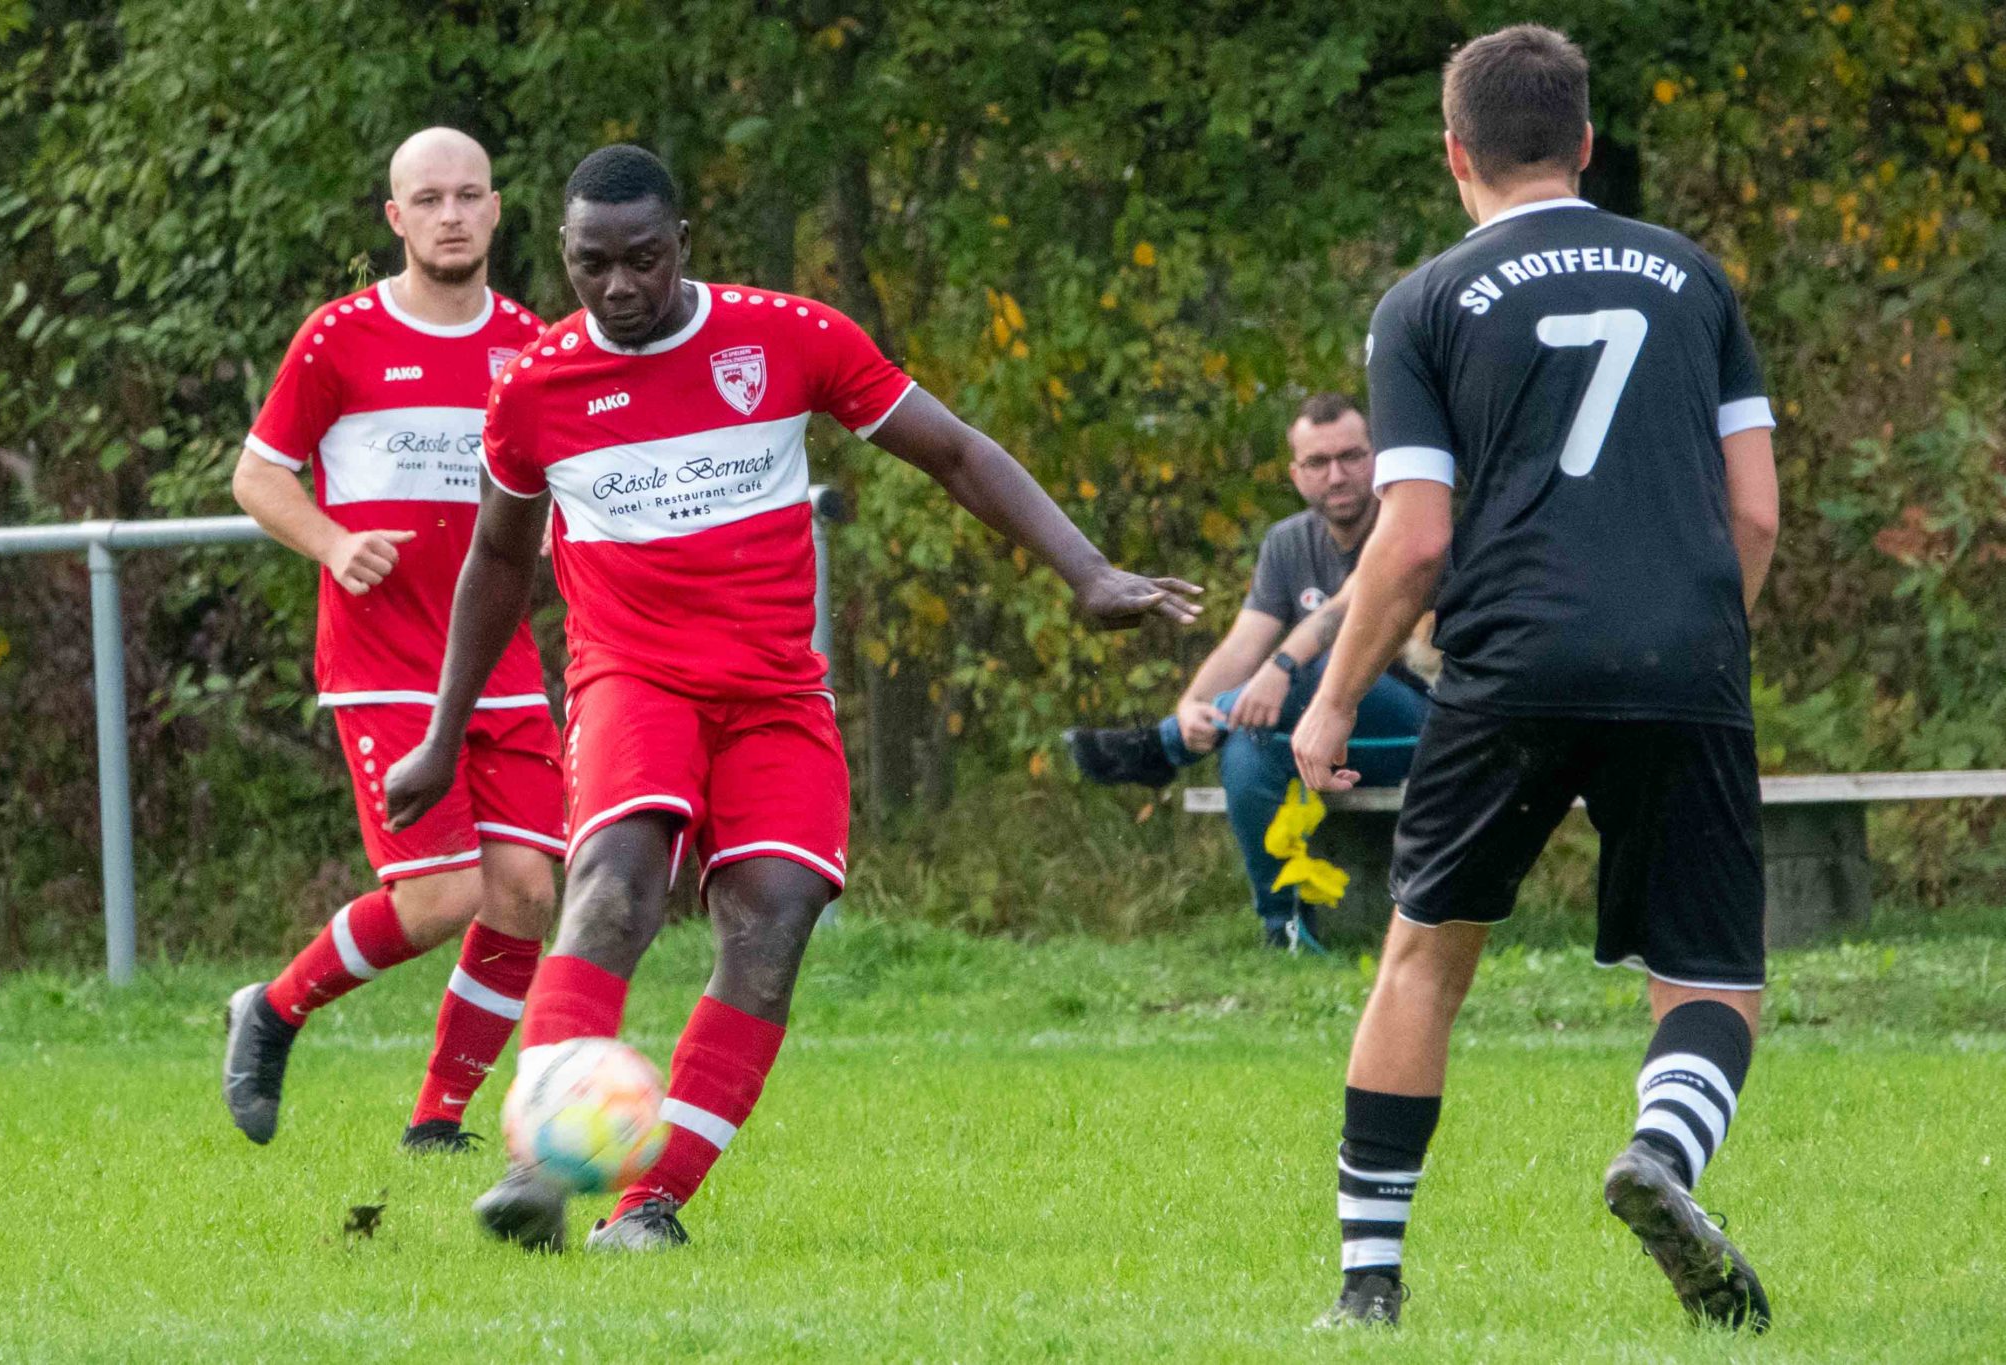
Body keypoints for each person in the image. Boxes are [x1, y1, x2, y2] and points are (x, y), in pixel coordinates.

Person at [383, 144, 1201, 1254]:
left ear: (683, 245)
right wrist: (442, 735)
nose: (618, 288)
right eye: (590, 265)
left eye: (641, 260)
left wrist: (1087, 569)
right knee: (616, 881)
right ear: (564, 257)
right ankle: (537, 1168)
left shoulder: (785, 336)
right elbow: (493, 559)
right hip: (636, 680)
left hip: (774, 693)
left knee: (773, 922)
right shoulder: (532, 385)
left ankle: (650, 1204)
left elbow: (954, 453)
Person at [1289, 25, 1781, 1332]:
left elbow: (1416, 537)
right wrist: (1693, 640)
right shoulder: (1697, 281)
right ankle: (1662, 1157)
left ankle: (1369, 1287)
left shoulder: (1426, 302)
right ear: (1587, 145)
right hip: (1684, 651)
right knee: (1713, 973)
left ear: (1456, 152)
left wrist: (1331, 701)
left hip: (1509, 663)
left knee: (1422, 962)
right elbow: (1760, 514)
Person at [222, 128, 564, 1154]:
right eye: (429, 199)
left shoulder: (536, 345)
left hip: (500, 660)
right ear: (396, 216)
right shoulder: (338, 337)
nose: (450, 214)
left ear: (497, 210)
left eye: (468, 196)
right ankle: (274, 1010)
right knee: (440, 897)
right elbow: (257, 475)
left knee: (527, 893)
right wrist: (331, 541)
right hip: (381, 666)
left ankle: (437, 1122)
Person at [1063, 394, 1434, 952]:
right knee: (1246, 748)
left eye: (1352, 456)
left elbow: (1344, 611)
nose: (1337, 475)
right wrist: (1192, 706)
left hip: (1418, 728)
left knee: (1329, 669)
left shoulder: (1411, 523)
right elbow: (1245, 643)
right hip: (1325, 740)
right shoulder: (1288, 543)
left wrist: (1282, 668)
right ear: (1295, 473)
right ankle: (1283, 930)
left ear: (1378, 456)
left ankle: (1158, 751)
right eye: (1318, 462)